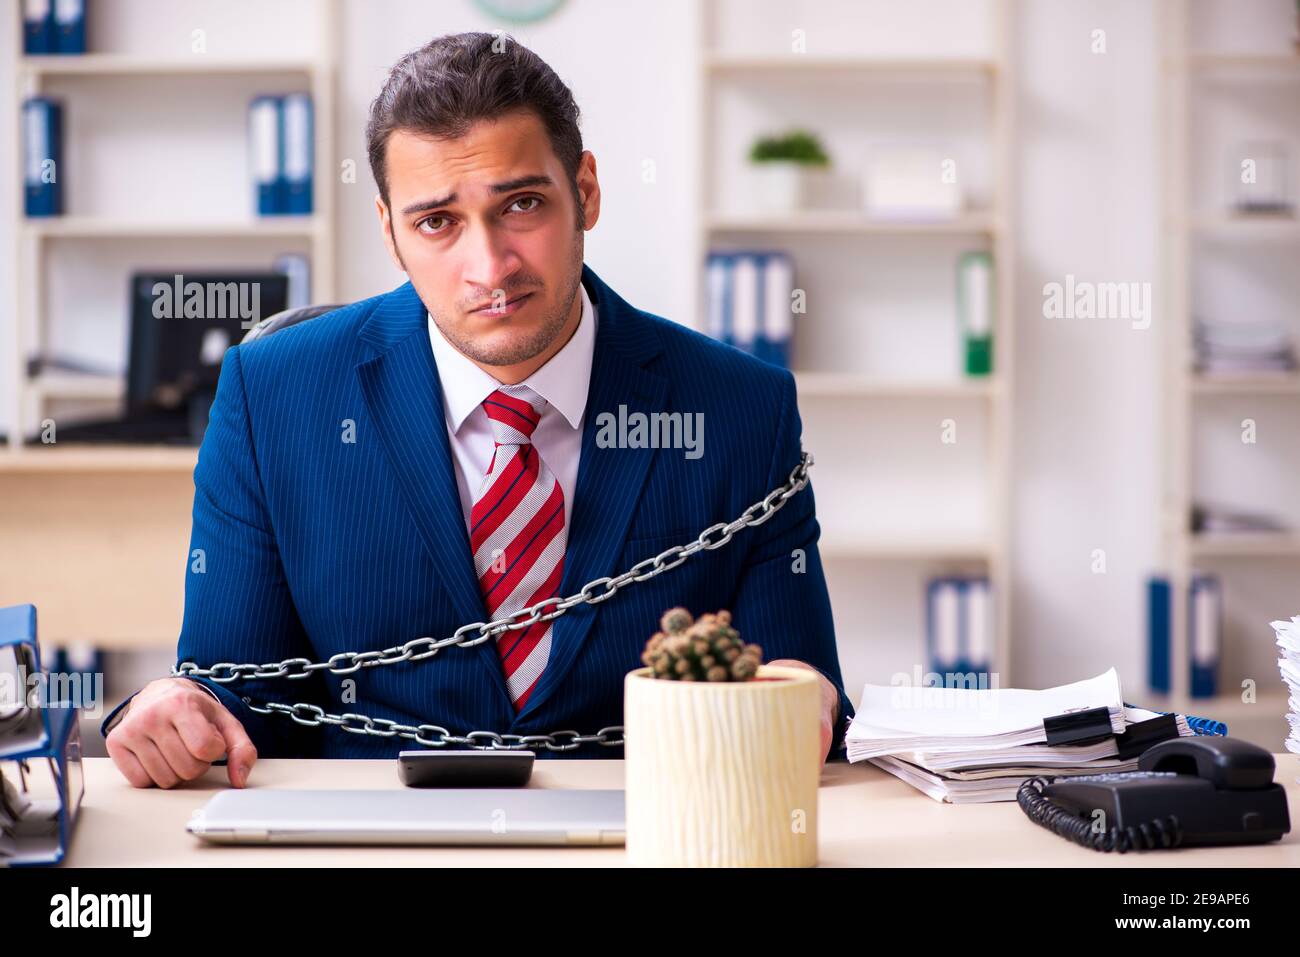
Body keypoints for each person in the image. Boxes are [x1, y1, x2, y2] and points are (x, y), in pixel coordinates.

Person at [102, 32, 853, 789]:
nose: (490, 267)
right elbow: (239, 699)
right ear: (391, 231)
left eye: (521, 203)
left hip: (647, 830)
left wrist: (804, 698)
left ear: (585, 191)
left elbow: (802, 681)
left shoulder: (741, 407)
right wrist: (179, 705)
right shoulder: (273, 399)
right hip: (371, 843)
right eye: (437, 221)